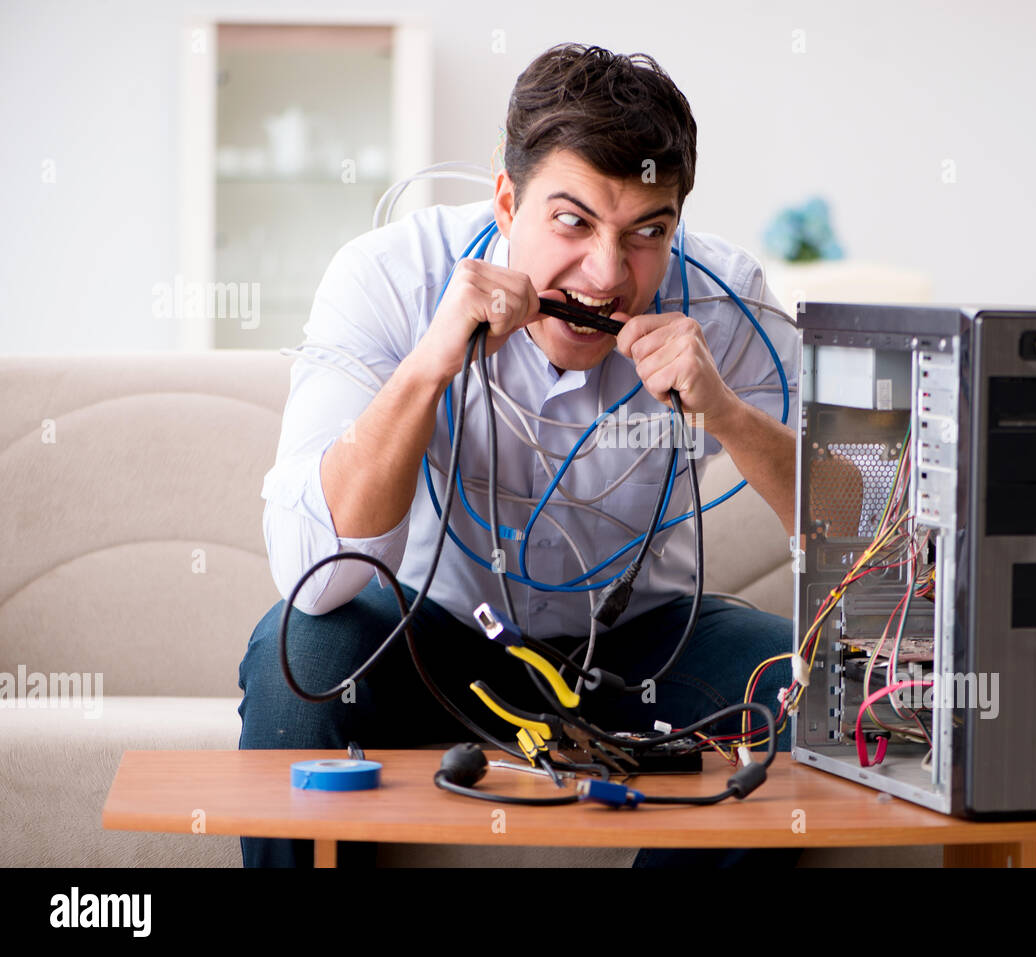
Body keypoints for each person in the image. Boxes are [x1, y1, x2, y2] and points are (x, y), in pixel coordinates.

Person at [237, 42, 801, 868]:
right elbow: (318, 573)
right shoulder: (389, 278)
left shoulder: (726, 302)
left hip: (643, 652)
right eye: (572, 222)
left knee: (798, 681)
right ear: (506, 200)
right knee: (301, 660)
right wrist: (430, 363)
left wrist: (728, 412)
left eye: (648, 231)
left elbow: (862, 532)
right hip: (436, 641)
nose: (607, 275)